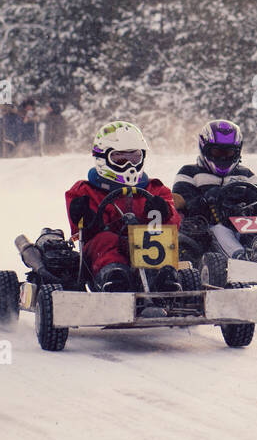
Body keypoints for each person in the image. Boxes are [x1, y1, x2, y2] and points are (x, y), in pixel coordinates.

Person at [64, 121, 181, 304]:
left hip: (148, 250)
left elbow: (174, 223)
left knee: (159, 237)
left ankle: (164, 281)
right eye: (120, 159)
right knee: (105, 240)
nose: (129, 165)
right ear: (102, 158)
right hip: (105, 254)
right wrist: (86, 217)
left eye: (134, 158)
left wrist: (164, 211)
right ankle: (115, 278)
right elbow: (81, 231)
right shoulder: (85, 191)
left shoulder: (156, 189)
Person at [172, 119, 257, 265]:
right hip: (207, 228)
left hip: (244, 224)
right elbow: (182, 203)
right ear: (205, 148)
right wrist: (206, 199)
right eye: (217, 152)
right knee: (220, 230)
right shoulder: (189, 173)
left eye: (229, 152)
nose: (223, 157)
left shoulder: (246, 174)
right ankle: (241, 259)